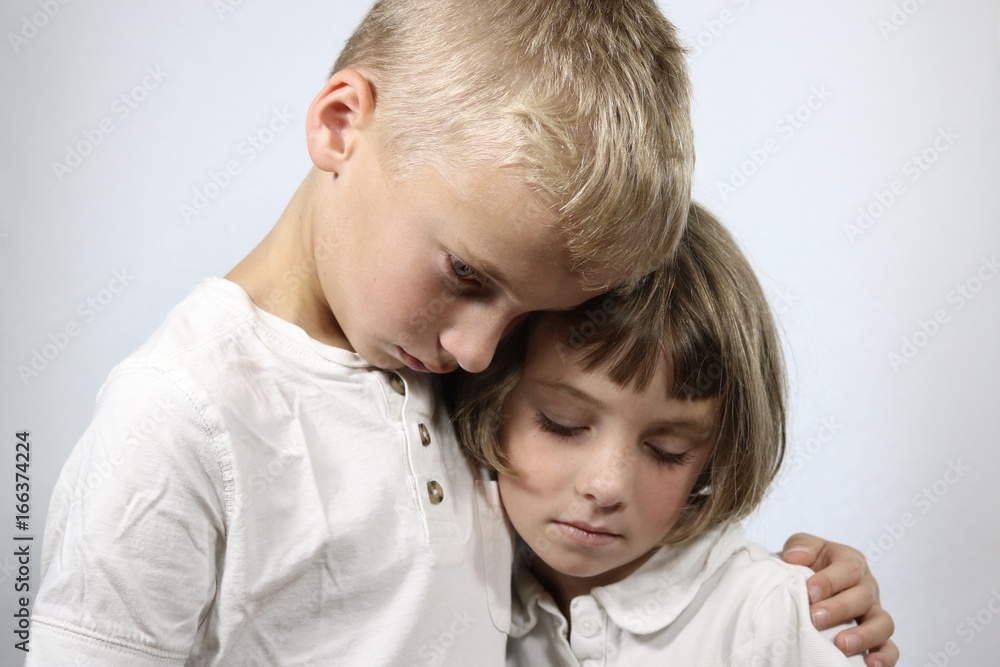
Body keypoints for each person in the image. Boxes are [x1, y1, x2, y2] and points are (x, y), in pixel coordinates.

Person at [27, 1, 895, 665]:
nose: (482, 351)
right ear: (340, 124)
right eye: (467, 277)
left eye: (523, 318)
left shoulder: (438, 363)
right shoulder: (180, 414)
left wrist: (790, 603)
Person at [449, 202, 897, 666]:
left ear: (716, 453)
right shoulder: (466, 599)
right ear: (493, 396)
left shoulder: (775, 622)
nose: (607, 486)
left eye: (667, 451)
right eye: (563, 425)